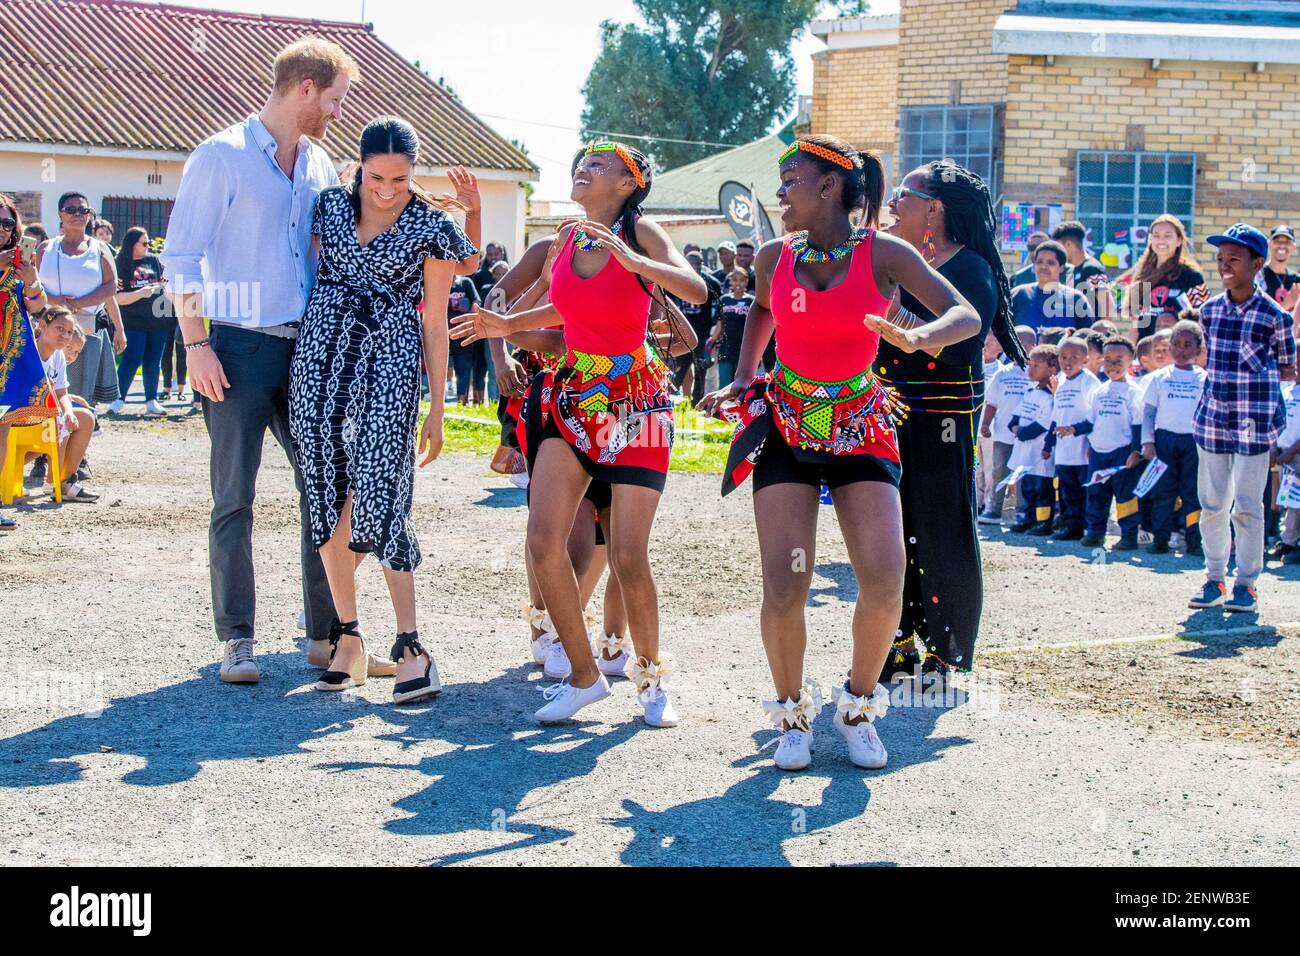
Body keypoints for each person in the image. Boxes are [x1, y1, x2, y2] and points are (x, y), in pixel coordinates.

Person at [699, 135, 981, 772]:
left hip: (859, 424)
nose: (779, 192)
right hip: (790, 425)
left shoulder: (886, 254)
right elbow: (762, 315)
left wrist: (918, 336)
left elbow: (963, 315)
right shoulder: (774, 255)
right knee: (785, 583)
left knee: (883, 581)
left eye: (791, 179)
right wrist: (745, 377)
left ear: (829, 187)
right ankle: (791, 715)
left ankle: (855, 707)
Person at [453, 140, 707, 727]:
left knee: (628, 554)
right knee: (544, 544)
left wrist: (640, 264)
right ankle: (584, 674)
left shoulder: (642, 234)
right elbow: (567, 316)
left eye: (598, 166)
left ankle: (649, 678)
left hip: (638, 404)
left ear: (627, 184)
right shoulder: (567, 239)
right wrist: (508, 325)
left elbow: (695, 290)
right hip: (573, 401)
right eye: (579, 162)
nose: (582, 169)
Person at [161, 37, 371, 685]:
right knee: (235, 497)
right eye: (334, 100)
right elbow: (181, 258)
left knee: (323, 490)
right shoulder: (219, 156)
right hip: (232, 347)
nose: (338, 112)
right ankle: (238, 641)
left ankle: (323, 636)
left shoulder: (318, 165)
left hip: (303, 348)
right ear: (304, 87)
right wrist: (196, 342)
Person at [289, 116, 476, 703]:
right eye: (375, 176)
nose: (387, 188)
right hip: (318, 365)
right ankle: (347, 636)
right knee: (324, 499)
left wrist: (439, 407)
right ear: (360, 167)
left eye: (399, 177)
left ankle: (411, 646)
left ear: (413, 173)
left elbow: (437, 321)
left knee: (383, 497)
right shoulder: (328, 208)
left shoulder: (431, 226)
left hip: (390, 369)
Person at [875, 159, 1026, 681]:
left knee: (941, 528)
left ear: (934, 209)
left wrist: (892, 310)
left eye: (904, 193)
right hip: (885, 415)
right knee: (888, 531)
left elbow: (962, 341)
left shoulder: (969, 269)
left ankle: (947, 648)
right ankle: (895, 644)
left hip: (941, 420)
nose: (892, 202)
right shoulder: (896, 260)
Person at [1188, 224, 1297, 614]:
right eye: (1220, 259)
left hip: (1255, 423)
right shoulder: (1210, 311)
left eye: (1234, 258)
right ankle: (1214, 576)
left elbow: (1288, 369)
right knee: (1213, 504)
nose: (1225, 265)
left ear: (1257, 263)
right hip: (1213, 419)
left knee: (1248, 506)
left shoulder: (1275, 316)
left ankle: (1246, 584)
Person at [34, 191, 122, 406]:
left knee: (82, 394)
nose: (78, 214)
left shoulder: (99, 248)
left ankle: (80, 434)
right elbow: (33, 284)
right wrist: (56, 300)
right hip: (47, 328)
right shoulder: (46, 248)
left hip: (86, 331)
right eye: (71, 210)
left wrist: (76, 304)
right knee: (43, 388)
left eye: (84, 210)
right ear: (60, 215)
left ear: (90, 215)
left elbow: (111, 286)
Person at [1142, 319, 1207, 556]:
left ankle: (1193, 540)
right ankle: (1160, 539)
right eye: (1176, 344)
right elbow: (1149, 413)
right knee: (1163, 491)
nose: (1181, 350)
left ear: (1198, 350)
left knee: (1192, 493)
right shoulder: (1160, 378)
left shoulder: (1204, 379)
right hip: (1164, 441)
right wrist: (1147, 442)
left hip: (1194, 442)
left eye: (1187, 345)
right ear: (1169, 347)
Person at [1080, 337, 1144, 549]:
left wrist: (1135, 451)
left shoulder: (1134, 392)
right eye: (1108, 359)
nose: (1112, 365)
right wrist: (1090, 445)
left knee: (1125, 495)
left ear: (1130, 360)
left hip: (1122, 452)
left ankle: (1128, 535)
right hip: (1099, 451)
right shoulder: (1100, 390)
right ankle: (1095, 532)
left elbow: (1138, 424)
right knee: (1096, 492)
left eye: (1119, 360)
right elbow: (1093, 421)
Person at [31, 308, 99, 501]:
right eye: (60, 328)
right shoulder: (29, 352)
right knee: (60, 419)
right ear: (43, 326)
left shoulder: (58, 356)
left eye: (69, 331)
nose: (65, 336)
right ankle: (52, 483)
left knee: (84, 418)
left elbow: (62, 393)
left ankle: (65, 482)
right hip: (23, 415)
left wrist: (69, 411)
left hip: (46, 415)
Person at [110, 227, 172, 415]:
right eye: (144, 243)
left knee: (153, 361)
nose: (147, 247)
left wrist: (163, 285)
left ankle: (151, 400)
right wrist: (140, 294)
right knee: (131, 358)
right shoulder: (120, 264)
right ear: (132, 244)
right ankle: (118, 399)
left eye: (148, 243)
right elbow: (116, 298)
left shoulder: (154, 260)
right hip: (133, 320)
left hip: (157, 319)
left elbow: (166, 281)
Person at [978, 325, 1036, 525]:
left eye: (1025, 344)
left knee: (1021, 473)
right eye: (1015, 342)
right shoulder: (1002, 374)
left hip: (1028, 436)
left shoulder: (1035, 374)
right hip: (1002, 434)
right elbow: (992, 403)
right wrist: (986, 424)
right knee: (998, 471)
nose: (1019, 347)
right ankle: (994, 510)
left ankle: (1020, 512)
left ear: (1034, 346)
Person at [1118, 214, 1207, 342]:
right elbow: (1136, 326)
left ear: (1179, 241)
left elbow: (1204, 319)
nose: (1161, 240)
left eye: (1167, 236)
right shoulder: (1142, 276)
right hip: (1147, 352)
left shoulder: (1193, 276)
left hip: (1177, 350)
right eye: (1156, 236)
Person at [1047, 337, 1100, 540]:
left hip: (1082, 448)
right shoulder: (1059, 379)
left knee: (1083, 490)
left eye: (1074, 357)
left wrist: (1077, 431)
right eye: (1063, 357)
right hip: (1063, 449)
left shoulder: (1089, 382)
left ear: (1085, 360)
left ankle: (1085, 526)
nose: (1067, 362)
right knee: (1066, 489)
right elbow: (1057, 413)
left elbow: (1095, 416)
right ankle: (1070, 525)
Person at [1007, 344, 1059, 534]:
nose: (1030, 369)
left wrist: (1020, 431)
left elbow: (1042, 425)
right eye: (1030, 365)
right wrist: (1015, 427)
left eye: (1036, 366)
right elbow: (1013, 419)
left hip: (1039, 453)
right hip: (1023, 452)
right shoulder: (1029, 392)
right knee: (1027, 488)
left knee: (1042, 490)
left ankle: (1043, 522)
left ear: (1052, 368)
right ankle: (1027, 519)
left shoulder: (1051, 397)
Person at [1010, 239, 1093, 331]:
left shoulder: (1076, 299)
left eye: (1050, 263)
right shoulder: (1019, 294)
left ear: (1061, 268)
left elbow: (1086, 335)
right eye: (1039, 262)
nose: (1043, 267)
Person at [671, 249, 720, 404]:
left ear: (702, 264)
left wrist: (714, 333)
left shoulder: (711, 282)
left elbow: (720, 308)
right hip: (682, 332)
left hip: (703, 333)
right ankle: (672, 399)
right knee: (680, 368)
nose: (694, 267)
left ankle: (697, 403)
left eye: (697, 264)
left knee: (700, 369)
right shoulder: (677, 279)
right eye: (690, 264)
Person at [1052, 220, 1113, 319]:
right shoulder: (1069, 270)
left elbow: (1107, 306)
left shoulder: (1093, 270)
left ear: (1068, 244)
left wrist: (1101, 332)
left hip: (1089, 331)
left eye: (1059, 247)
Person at [714, 267, 753, 388]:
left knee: (742, 387)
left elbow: (754, 329)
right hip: (726, 349)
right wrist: (710, 343)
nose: (738, 283)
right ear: (730, 281)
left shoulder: (751, 301)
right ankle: (721, 407)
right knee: (724, 385)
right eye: (735, 280)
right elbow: (719, 326)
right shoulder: (724, 299)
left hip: (745, 351)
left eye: (741, 280)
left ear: (746, 281)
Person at [446, 272, 482, 403]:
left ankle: (462, 402)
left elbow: (476, 302)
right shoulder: (440, 281)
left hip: (463, 334)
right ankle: (439, 400)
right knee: (442, 369)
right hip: (444, 334)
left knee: (463, 369)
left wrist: (470, 324)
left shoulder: (465, 282)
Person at [1258, 225, 1300, 311]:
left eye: (1287, 242)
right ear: (1269, 244)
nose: (1282, 245)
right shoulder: (1259, 276)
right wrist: (1286, 305)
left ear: (1293, 247)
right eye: (1277, 241)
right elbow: (1257, 314)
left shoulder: (1296, 280)